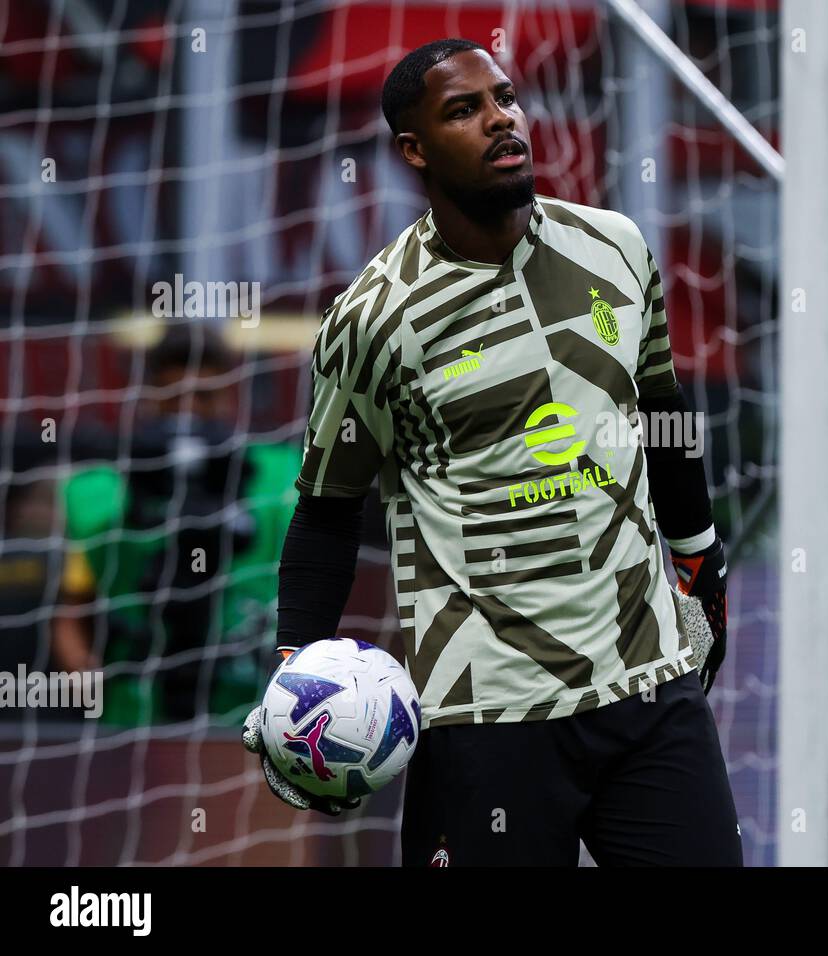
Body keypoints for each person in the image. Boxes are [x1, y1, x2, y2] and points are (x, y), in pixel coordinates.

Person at [241, 38, 741, 866]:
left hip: (648, 688)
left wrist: (700, 556)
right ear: (415, 150)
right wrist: (295, 670)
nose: (502, 118)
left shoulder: (617, 248)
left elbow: (662, 416)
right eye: (464, 110)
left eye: (505, 97)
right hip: (485, 718)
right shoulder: (374, 320)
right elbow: (327, 512)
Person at [53, 323, 300, 726]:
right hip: (135, 715)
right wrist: (87, 684)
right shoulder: (103, 494)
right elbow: (69, 615)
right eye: (174, 396)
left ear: (229, 395)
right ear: (151, 396)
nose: (188, 411)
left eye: (203, 396)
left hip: (251, 709)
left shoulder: (282, 481)